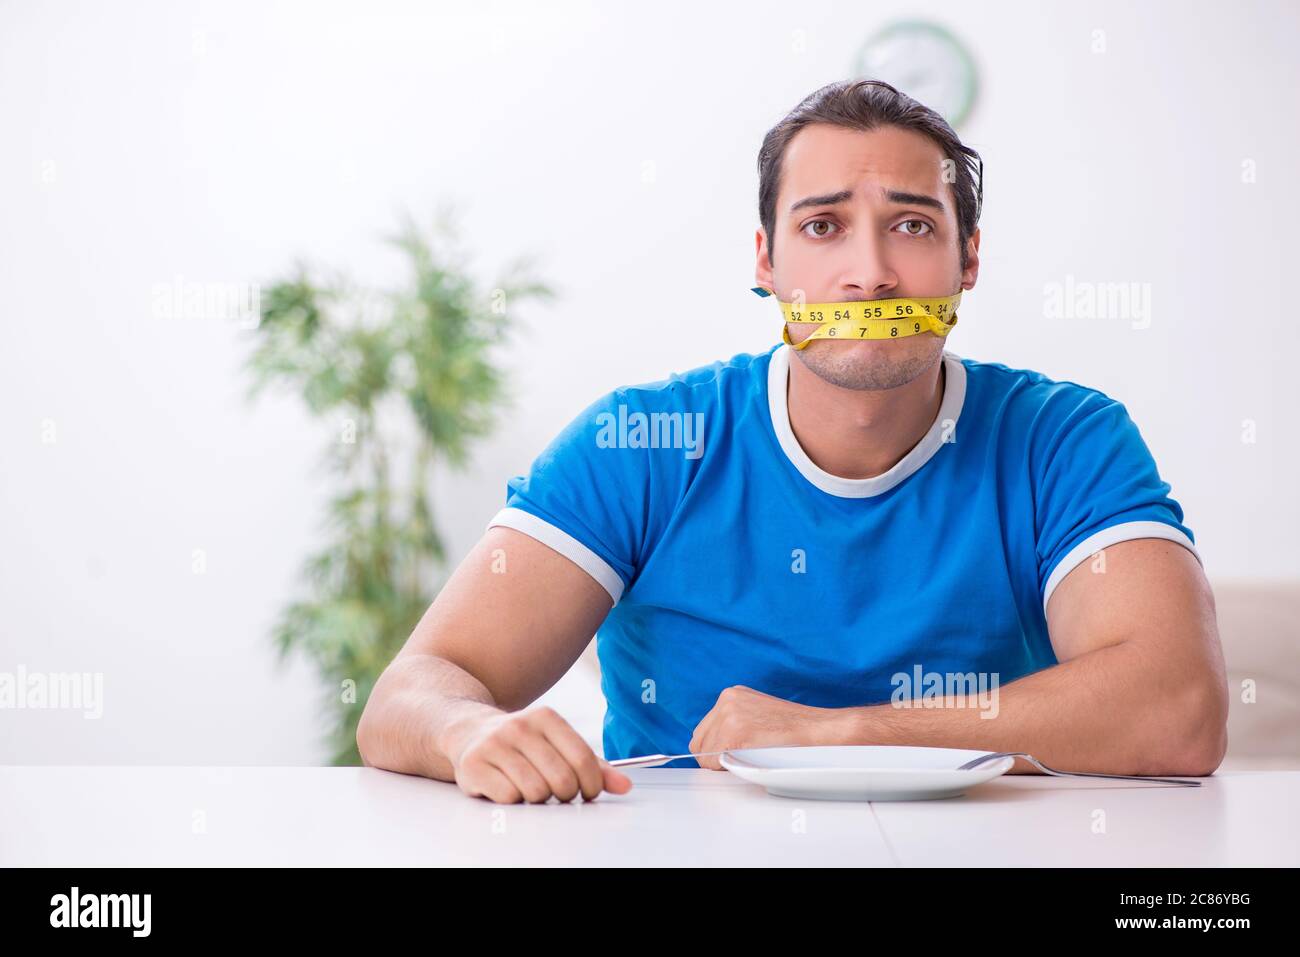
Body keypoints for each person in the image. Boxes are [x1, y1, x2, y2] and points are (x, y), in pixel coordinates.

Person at [357, 78, 1228, 804]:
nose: (870, 271)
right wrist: (472, 730)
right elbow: (408, 693)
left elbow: (1179, 706)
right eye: (823, 226)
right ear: (767, 262)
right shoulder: (641, 443)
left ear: (968, 261)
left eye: (914, 225)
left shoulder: (1065, 440)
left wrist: (834, 735)